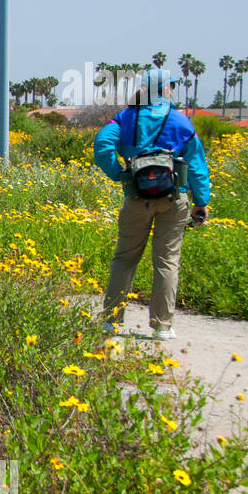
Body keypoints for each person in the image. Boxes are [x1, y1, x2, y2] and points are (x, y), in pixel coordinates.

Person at [93, 68, 211, 340]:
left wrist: (120, 175)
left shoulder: (126, 117)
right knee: (167, 261)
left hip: (137, 198)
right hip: (174, 198)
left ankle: (111, 321)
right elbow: (196, 165)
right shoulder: (181, 122)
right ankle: (162, 326)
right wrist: (200, 202)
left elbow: (102, 145)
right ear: (167, 88)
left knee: (125, 258)